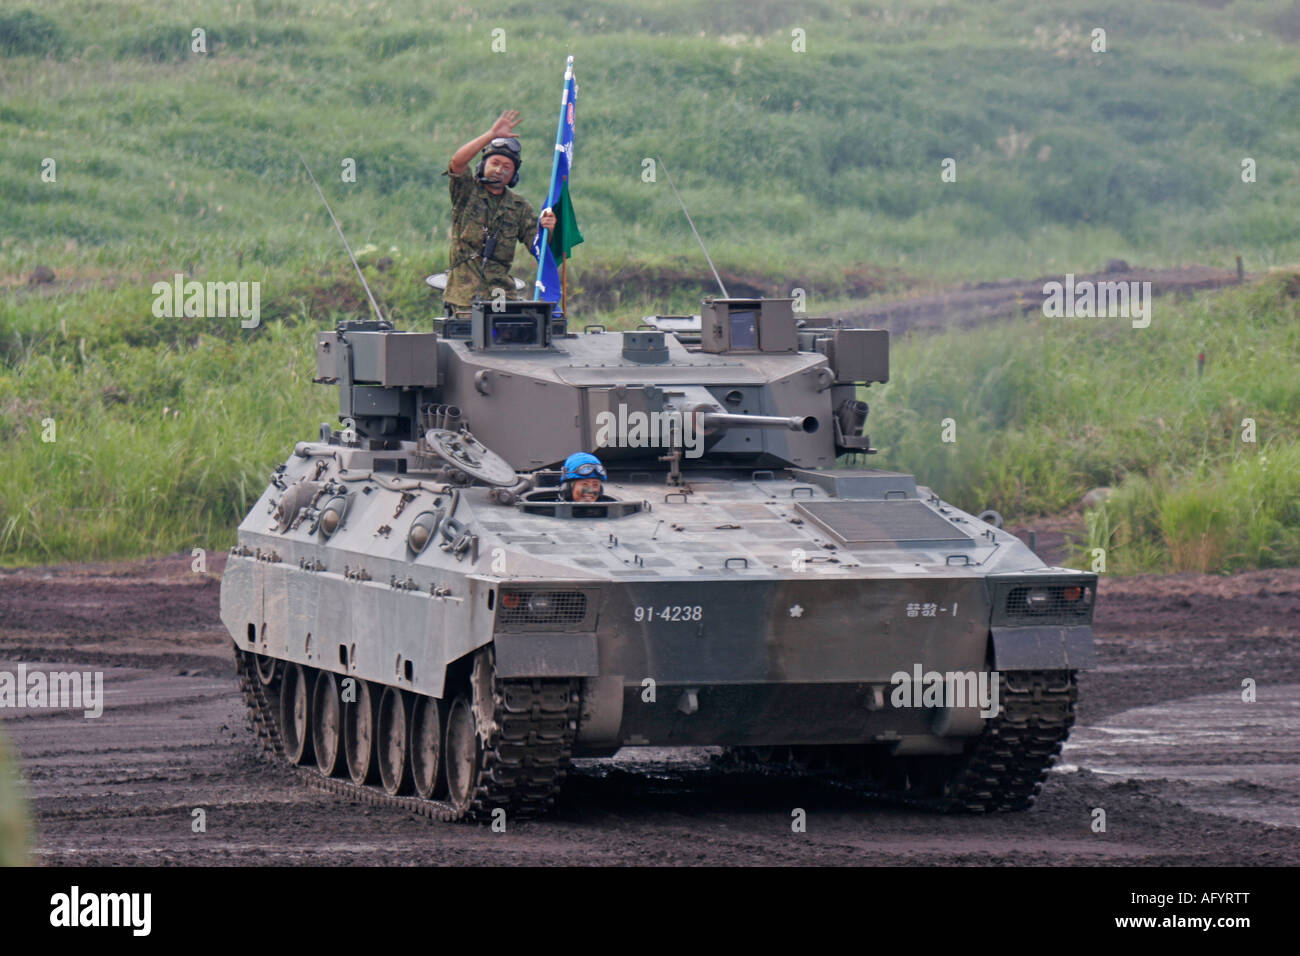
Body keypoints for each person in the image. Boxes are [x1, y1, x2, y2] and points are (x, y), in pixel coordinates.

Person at [443, 110, 556, 314]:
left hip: (502, 294)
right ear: (483, 164)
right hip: (465, 297)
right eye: (495, 163)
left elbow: (539, 247)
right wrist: (491, 135)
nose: (499, 170)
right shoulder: (467, 192)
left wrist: (549, 229)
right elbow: (457, 163)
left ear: (513, 175)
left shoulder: (519, 207)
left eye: (507, 167)